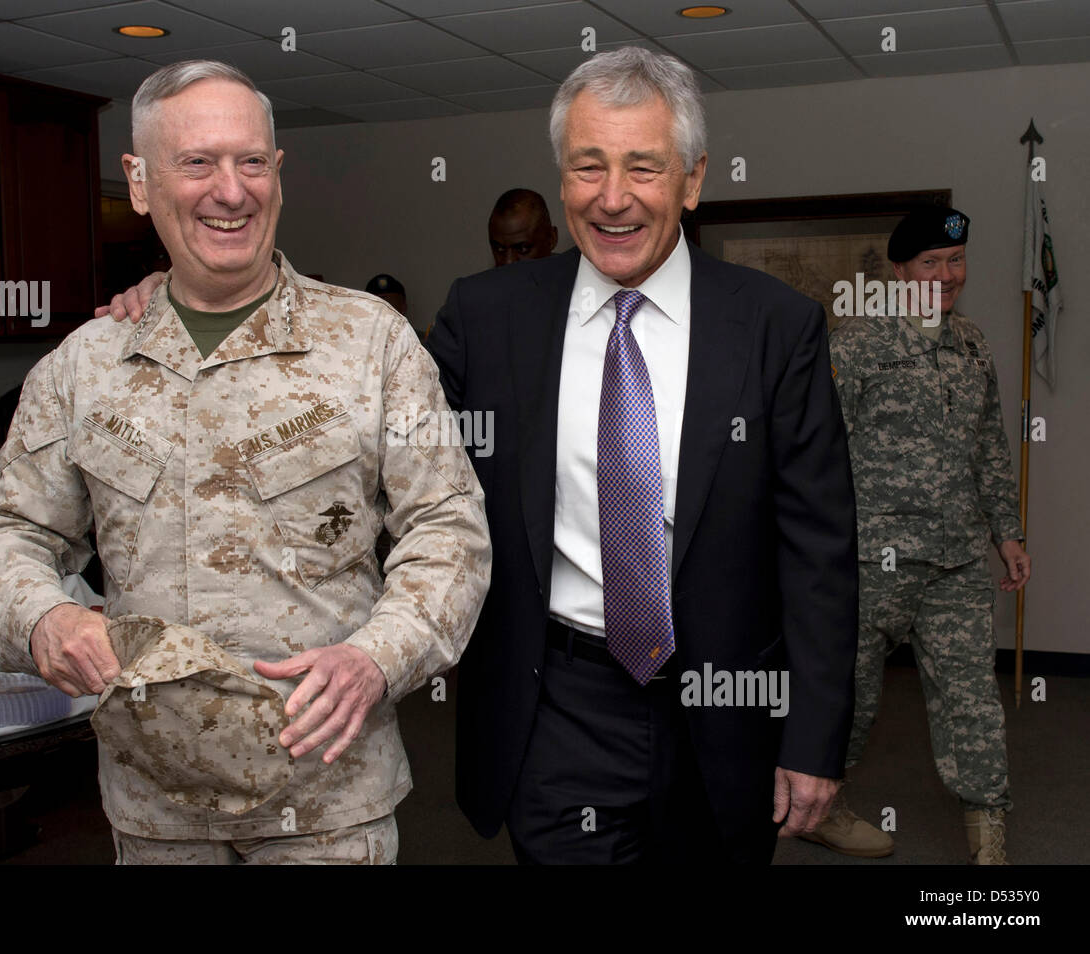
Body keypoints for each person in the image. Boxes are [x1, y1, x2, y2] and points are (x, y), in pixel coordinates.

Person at [0, 60, 491, 865]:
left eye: (250, 162)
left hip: (328, 800)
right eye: (197, 162)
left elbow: (449, 531)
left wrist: (376, 658)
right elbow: (5, 533)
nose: (230, 190)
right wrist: (46, 618)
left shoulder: (372, 344)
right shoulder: (84, 367)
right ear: (139, 183)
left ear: (278, 175)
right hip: (156, 808)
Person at [425, 47, 858, 864]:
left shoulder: (775, 328)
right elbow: (371, 422)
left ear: (692, 180)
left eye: (643, 169)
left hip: (724, 709)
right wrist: (183, 297)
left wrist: (814, 738)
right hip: (559, 711)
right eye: (589, 166)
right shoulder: (489, 318)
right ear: (562, 176)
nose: (612, 198)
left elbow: (820, 554)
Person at [823, 207, 1030, 865]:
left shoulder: (971, 345)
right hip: (870, 556)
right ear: (900, 269)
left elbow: (990, 446)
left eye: (957, 260)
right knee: (847, 700)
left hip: (958, 559)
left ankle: (987, 834)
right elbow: (815, 452)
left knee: (972, 701)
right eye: (932, 263)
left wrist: (1008, 533)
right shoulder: (856, 344)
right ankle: (818, 808)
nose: (948, 275)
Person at [488, 188, 558, 267]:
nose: (508, 261)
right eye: (500, 249)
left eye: (522, 249)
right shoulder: (487, 278)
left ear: (551, 239)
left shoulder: (571, 276)